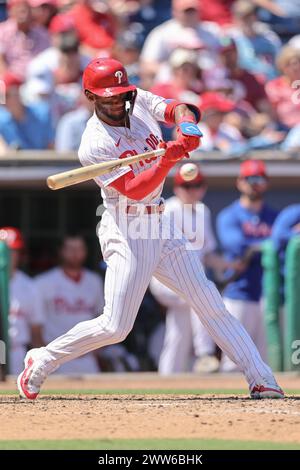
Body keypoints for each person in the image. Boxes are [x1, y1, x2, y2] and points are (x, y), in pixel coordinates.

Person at [17, 57, 284, 400]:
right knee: (116, 326)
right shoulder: (94, 143)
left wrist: (186, 124)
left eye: (119, 95)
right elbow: (135, 189)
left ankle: (261, 377)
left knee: (208, 300)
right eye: (107, 97)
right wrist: (168, 159)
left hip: (160, 222)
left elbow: (176, 108)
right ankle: (43, 359)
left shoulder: (136, 99)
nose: (116, 102)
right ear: (91, 96)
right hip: (127, 228)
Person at [150, 163, 236, 374]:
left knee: (178, 332)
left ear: (203, 188)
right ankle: (205, 353)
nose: (191, 190)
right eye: (186, 186)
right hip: (165, 279)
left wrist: (231, 265)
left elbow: (207, 254)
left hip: (188, 279)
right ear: (177, 188)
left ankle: (167, 378)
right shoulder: (168, 208)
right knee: (199, 297)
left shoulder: (202, 211)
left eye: (196, 185)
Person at [216, 160, 278, 371]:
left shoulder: (274, 217)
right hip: (238, 294)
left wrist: (258, 248)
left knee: (267, 358)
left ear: (266, 183)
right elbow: (236, 245)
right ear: (240, 182)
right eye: (249, 179)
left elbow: (282, 245)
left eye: (259, 179)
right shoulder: (229, 215)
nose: (254, 184)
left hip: (268, 296)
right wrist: (268, 245)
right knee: (234, 361)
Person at [34, 235, 104, 374]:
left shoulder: (94, 281)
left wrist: (96, 349)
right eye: (70, 249)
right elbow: (36, 327)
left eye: (79, 249)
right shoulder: (42, 282)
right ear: (61, 251)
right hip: (56, 358)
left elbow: (103, 317)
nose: (75, 254)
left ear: (85, 251)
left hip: (87, 358)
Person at [0, 227, 44, 375]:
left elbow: (36, 333)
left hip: (16, 350)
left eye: (13, 252)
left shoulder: (30, 286)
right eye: (4, 251)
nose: (8, 256)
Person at [0, 72, 54, 150]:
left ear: (19, 93)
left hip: (43, 162)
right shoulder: (1, 121)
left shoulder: (42, 113)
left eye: (6, 95)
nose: (3, 101)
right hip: (14, 162)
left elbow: (52, 148)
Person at [0, 0, 50, 80]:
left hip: (36, 78)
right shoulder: (2, 31)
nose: (23, 12)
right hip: (11, 79)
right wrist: (7, 80)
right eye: (19, 8)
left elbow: (47, 59)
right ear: (11, 11)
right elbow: (0, 61)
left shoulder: (42, 33)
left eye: (26, 8)